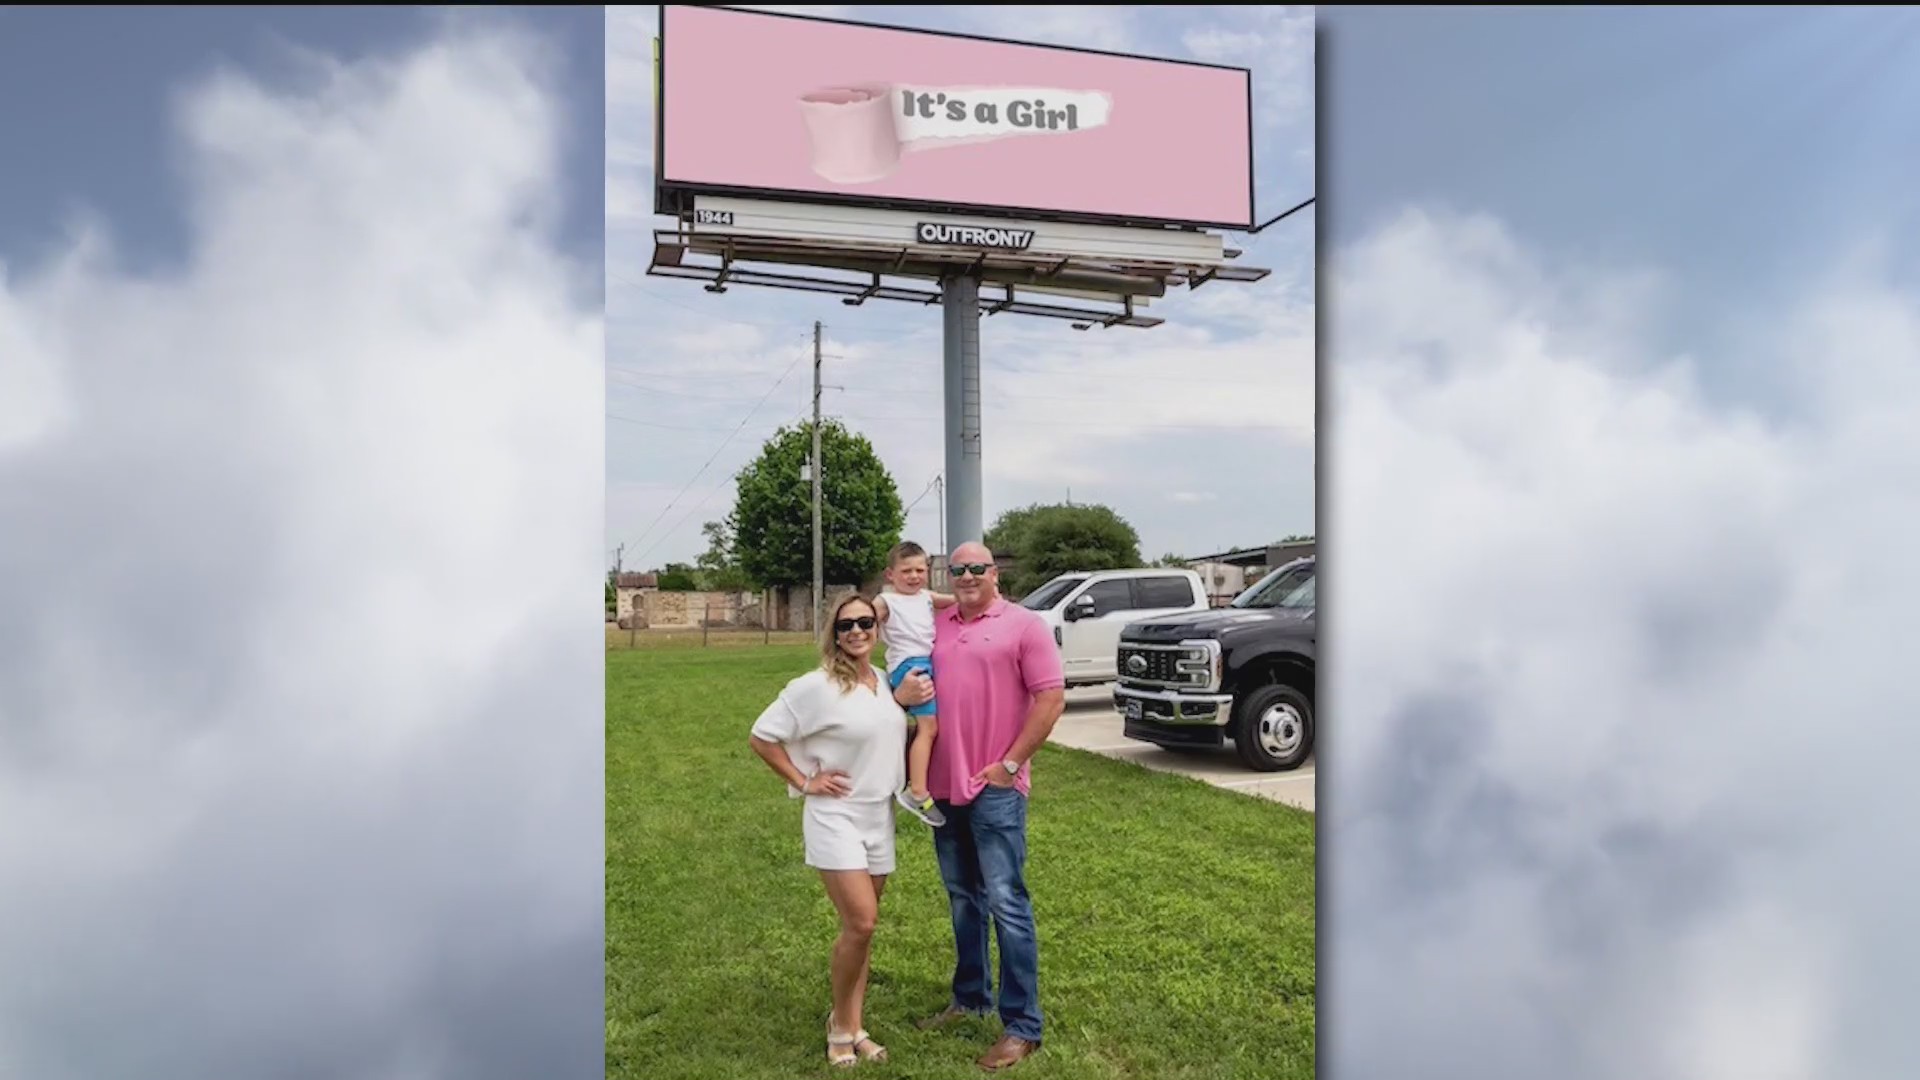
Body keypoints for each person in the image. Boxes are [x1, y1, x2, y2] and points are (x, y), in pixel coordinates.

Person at [893, 541, 1066, 1072]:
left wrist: (1010, 765)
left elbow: (1051, 698)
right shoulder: (937, 623)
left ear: (995, 574)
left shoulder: (1025, 626)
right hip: (942, 788)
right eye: (958, 569)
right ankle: (970, 998)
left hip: (995, 787)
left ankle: (1022, 1026)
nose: (967, 576)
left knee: (1006, 902)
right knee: (963, 899)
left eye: (977, 568)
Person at [749, 594, 906, 1068]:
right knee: (862, 922)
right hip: (835, 815)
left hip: (880, 814)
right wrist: (804, 781)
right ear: (833, 634)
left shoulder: (885, 682)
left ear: (877, 627)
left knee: (861, 934)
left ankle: (856, 1026)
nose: (857, 631)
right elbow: (762, 736)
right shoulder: (814, 687)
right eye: (845, 625)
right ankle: (839, 1026)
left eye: (865, 622)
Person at [871, 540, 957, 827]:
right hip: (909, 666)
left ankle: (912, 778)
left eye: (920, 570)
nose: (914, 576)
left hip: (926, 663)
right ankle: (917, 791)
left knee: (928, 727)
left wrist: (988, 595)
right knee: (928, 728)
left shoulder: (925, 597)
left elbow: (953, 599)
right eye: (906, 571)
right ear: (890, 574)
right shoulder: (887, 601)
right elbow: (866, 616)